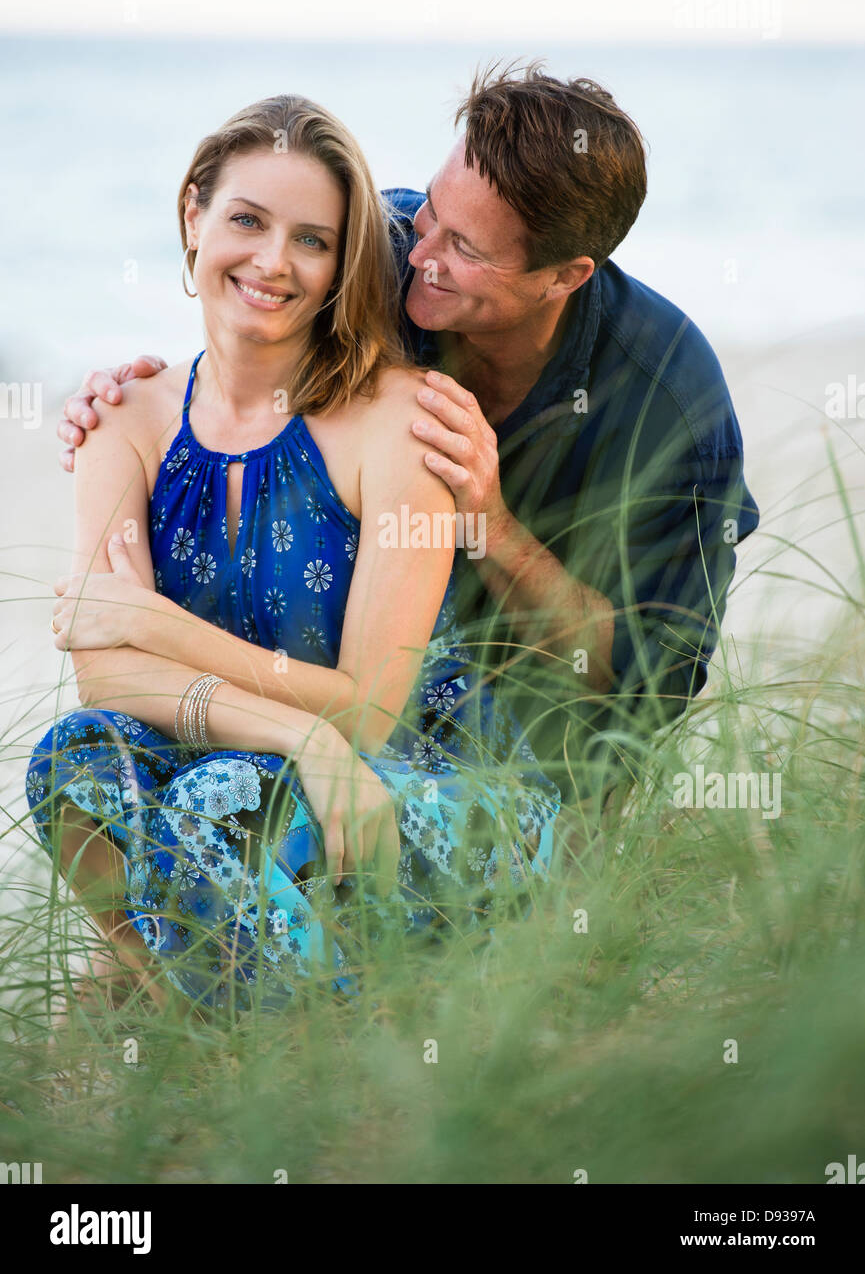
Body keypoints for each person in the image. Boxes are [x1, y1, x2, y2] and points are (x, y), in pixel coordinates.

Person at [58, 62, 759, 809]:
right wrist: (136, 396)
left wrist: (488, 522)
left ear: (564, 276)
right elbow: (248, 324)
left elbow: (647, 681)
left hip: (539, 739)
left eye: (465, 247)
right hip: (320, 694)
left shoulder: (672, 405)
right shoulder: (382, 251)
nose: (418, 255)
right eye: (431, 209)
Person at [27, 92, 562, 1016]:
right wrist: (297, 730)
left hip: (427, 778)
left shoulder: (401, 424)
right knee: (73, 757)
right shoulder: (129, 416)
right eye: (246, 220)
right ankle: (180, 1000)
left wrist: (158, 625)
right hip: (278, 758)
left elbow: (369, 711)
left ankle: (304, 1040)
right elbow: (107, 679)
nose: (273, 262)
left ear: (338, 266)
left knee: (218, 796)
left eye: (312, 240)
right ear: (194, 215)